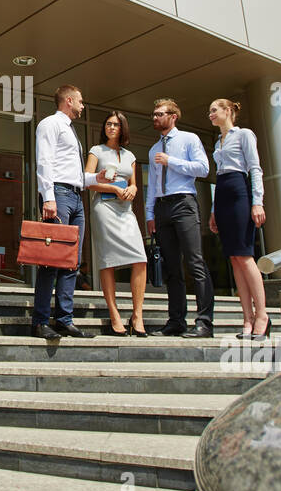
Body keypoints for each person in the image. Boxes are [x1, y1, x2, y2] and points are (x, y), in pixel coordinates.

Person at [32, 83, 102, 339]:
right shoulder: (50, 124)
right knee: (51, 260)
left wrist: (96, 178)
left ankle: (64, 319)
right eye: (81, 101)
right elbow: (45, 161)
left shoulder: (71, 131)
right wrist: (47, 197)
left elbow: (72, 173)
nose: (83, 106)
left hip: (75, 197)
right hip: (59, 197)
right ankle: (40, 321)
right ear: (69, 101)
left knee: (71, 262)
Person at [145, 98, 214, 337]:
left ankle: (204, 322)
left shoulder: (189, 139)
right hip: (162, 209)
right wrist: (149, 214)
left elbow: (203, 169)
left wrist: (171, 161)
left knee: (195, 263)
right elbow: (152, 185)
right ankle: (176, 321)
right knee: (172, 268)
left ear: (173, 116)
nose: (155, 118)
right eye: (153, 114)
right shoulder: (154, 149)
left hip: (184, 202)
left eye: (159, 114)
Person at [208, 98, 270, 339]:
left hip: (239, 191)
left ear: (227, 111)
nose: (210, 115)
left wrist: (257, 201)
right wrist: (214, 209)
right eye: (209, 111)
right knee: (233, 258)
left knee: (244, 256)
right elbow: (218, 177)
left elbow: (255, 168)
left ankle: (262, 314)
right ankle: (247, 318)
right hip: (222, 193)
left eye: (214, 110)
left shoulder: (244, 134)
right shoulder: (217, 141)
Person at [85, 111, 148, 335]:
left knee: (140, 259)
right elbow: (87, 181)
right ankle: (114, 315)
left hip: (125, 210)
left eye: (116, 125)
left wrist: (132, 188)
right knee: (108, 261)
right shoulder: (96, 151)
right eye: (108, 124)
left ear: (123, 128)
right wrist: (112, 188)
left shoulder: (130, 156)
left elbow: (134, 184)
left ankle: (137, 315)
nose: (111, 128)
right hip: (103, 207)